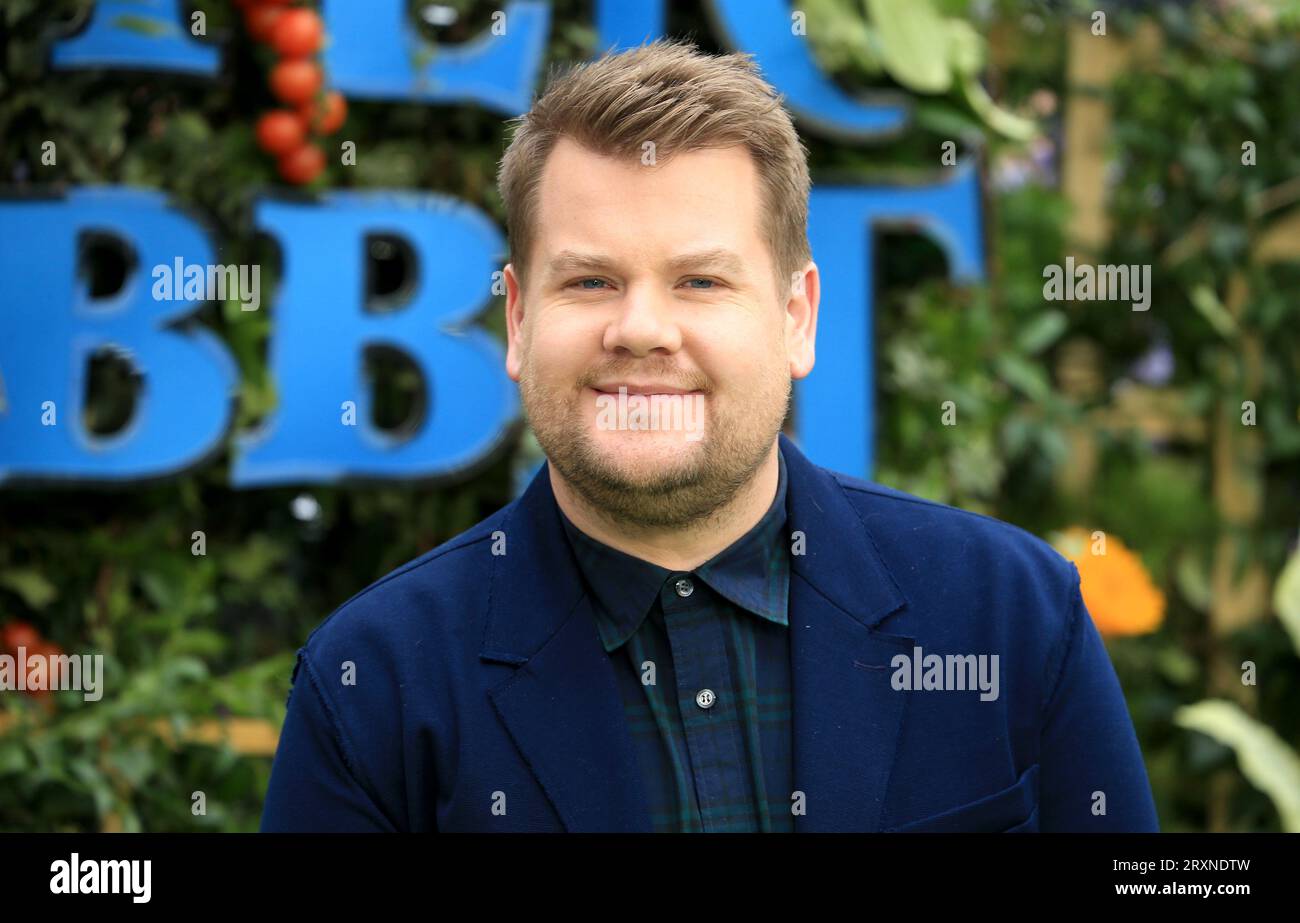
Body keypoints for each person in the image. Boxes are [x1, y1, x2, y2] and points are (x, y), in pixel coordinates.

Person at [260, 38, 1159, 833]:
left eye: (699, 281)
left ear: (797, 316)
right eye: (589, 283)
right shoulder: (373, 683)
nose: (642, 328)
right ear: (519, 320)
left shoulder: (1012, 619)